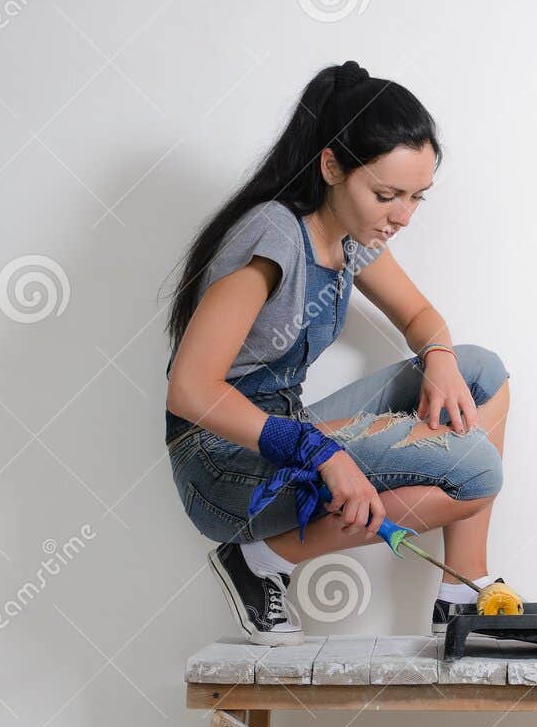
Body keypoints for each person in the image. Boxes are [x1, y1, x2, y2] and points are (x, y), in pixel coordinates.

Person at [162, 60, 510, 644]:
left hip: (284, 428)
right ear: (331, 166)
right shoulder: (273, 234)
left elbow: (421, 317)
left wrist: (441, 358)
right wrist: (318, 450)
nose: (402, 216)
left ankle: (461, 594)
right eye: (386, 194)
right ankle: (257, 560)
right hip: (222, 459)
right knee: (476, 470)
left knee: (479, 370)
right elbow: (191, 391)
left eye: (417, 198)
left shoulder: (351, 235)